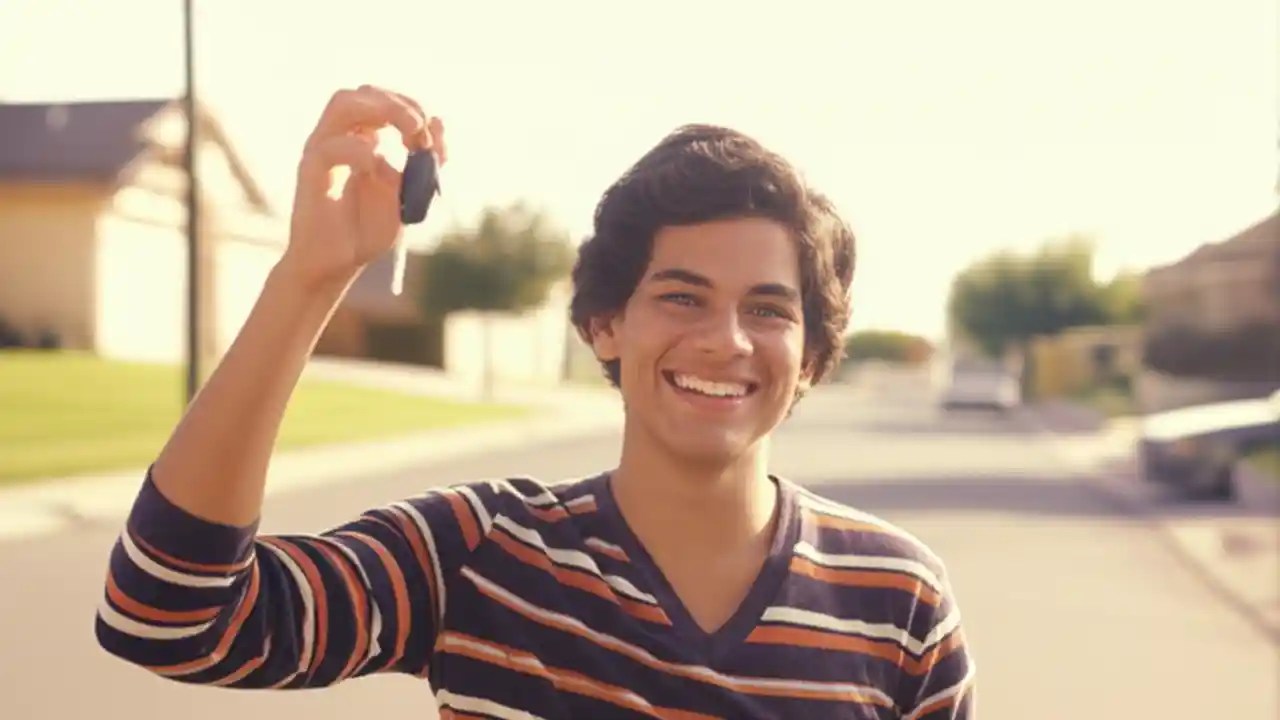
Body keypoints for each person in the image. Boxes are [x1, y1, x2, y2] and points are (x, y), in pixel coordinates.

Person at [95, 85, 976, 718]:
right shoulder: (483, 552)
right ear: (604, 325)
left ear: (811, 357)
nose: (726, 340)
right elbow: (168, 618)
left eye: (768, 310)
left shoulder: (898, 599)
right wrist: (309, 279)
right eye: (682, 296)